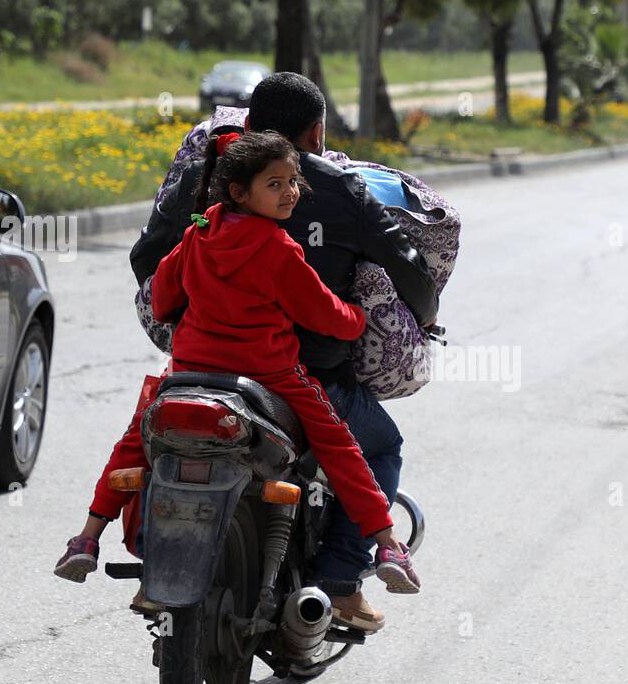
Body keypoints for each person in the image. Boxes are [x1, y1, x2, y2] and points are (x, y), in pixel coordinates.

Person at [54, 131, 421, 618]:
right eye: (275, 184)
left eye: (293, 181)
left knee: (137, 442)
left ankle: (87, 537)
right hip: (269, 377)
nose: (290, 191)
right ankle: (388, 543)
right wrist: (358, 318)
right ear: (239, 193)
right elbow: (323, 314)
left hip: (188, 374)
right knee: (340, 445)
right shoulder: (279, 248)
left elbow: (162, 301)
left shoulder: (197, 233)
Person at [130, 73, 438, 633]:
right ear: (317, 133)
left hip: (199, 367)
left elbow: (147, 261)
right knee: (381, 445)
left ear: (245, 127)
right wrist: (416, 319)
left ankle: (126, 540)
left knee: (142, 438)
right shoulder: (336, 190)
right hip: (299, 375)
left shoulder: (206, 194)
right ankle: (342, 581)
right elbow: (409, 271)